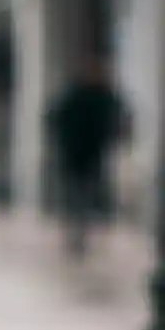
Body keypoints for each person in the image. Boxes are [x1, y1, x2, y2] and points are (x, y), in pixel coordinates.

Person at [47, 54, 127, 259]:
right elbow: (54, 118)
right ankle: (76, 231)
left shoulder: (100, 96)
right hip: (76, 154)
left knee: (83, 194)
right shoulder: (77, 96)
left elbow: (116, 120)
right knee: (76, 194)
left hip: (89, 154)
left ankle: (80, 231)